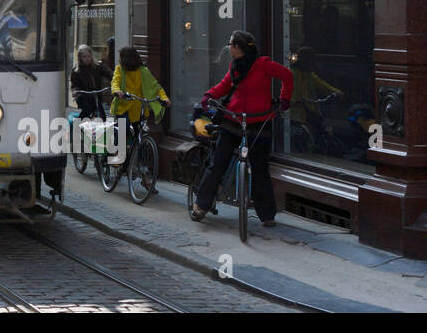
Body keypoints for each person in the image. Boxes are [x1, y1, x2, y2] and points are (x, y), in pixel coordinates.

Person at [191, 29, 294, 226]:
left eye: (230, 45)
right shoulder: (234, 66)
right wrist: (209, 95)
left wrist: (284, 99)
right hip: (233, 120)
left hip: (258, 121)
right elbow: (224, 85)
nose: (228, 48)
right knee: (217, 163)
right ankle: (201, 205)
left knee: (260, 170)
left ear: (237, 48)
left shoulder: (263, 64)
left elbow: (287, 76)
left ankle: (267, 216)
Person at [110, 46, 170, 170]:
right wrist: (117, 91)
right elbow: (115, 82)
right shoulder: (120, 70)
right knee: (123, 125)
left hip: (138, 109)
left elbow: (155, 86)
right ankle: (118, 154)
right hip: (123, 107)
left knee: (141, 137)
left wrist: (164, 98)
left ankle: (143, 171)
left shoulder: (143, 71)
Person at [290, 46, 343, 130]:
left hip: (308, 112)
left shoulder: (309, 74)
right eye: (310, 59)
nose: (313, 63)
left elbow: (322, 85)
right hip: (295, 115)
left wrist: (336, 92)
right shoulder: (292, 73)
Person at [70, 45, 107, 119]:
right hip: (83, 96)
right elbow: (74, 84)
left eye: (89, 56)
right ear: (80, 58)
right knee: (88, 109)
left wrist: (113, 81)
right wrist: (75, 91)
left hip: (96, 95)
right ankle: (77, 126)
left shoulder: (98, 66)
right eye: (84, 57)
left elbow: (109, 73)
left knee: (102, 115)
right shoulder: (77, 70)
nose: (87, 59)